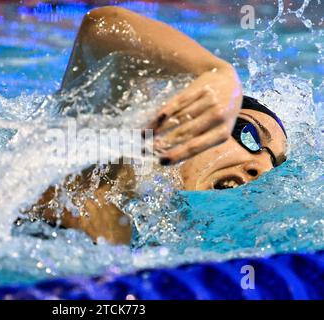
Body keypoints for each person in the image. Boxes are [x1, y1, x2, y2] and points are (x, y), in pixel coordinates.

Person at [15, 6, 288, 245]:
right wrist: (218, 75)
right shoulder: (112, 166)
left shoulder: (167, 232)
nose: (262, 168)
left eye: (273, 163)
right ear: (191, 114)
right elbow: (99, 28)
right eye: (250, 135)